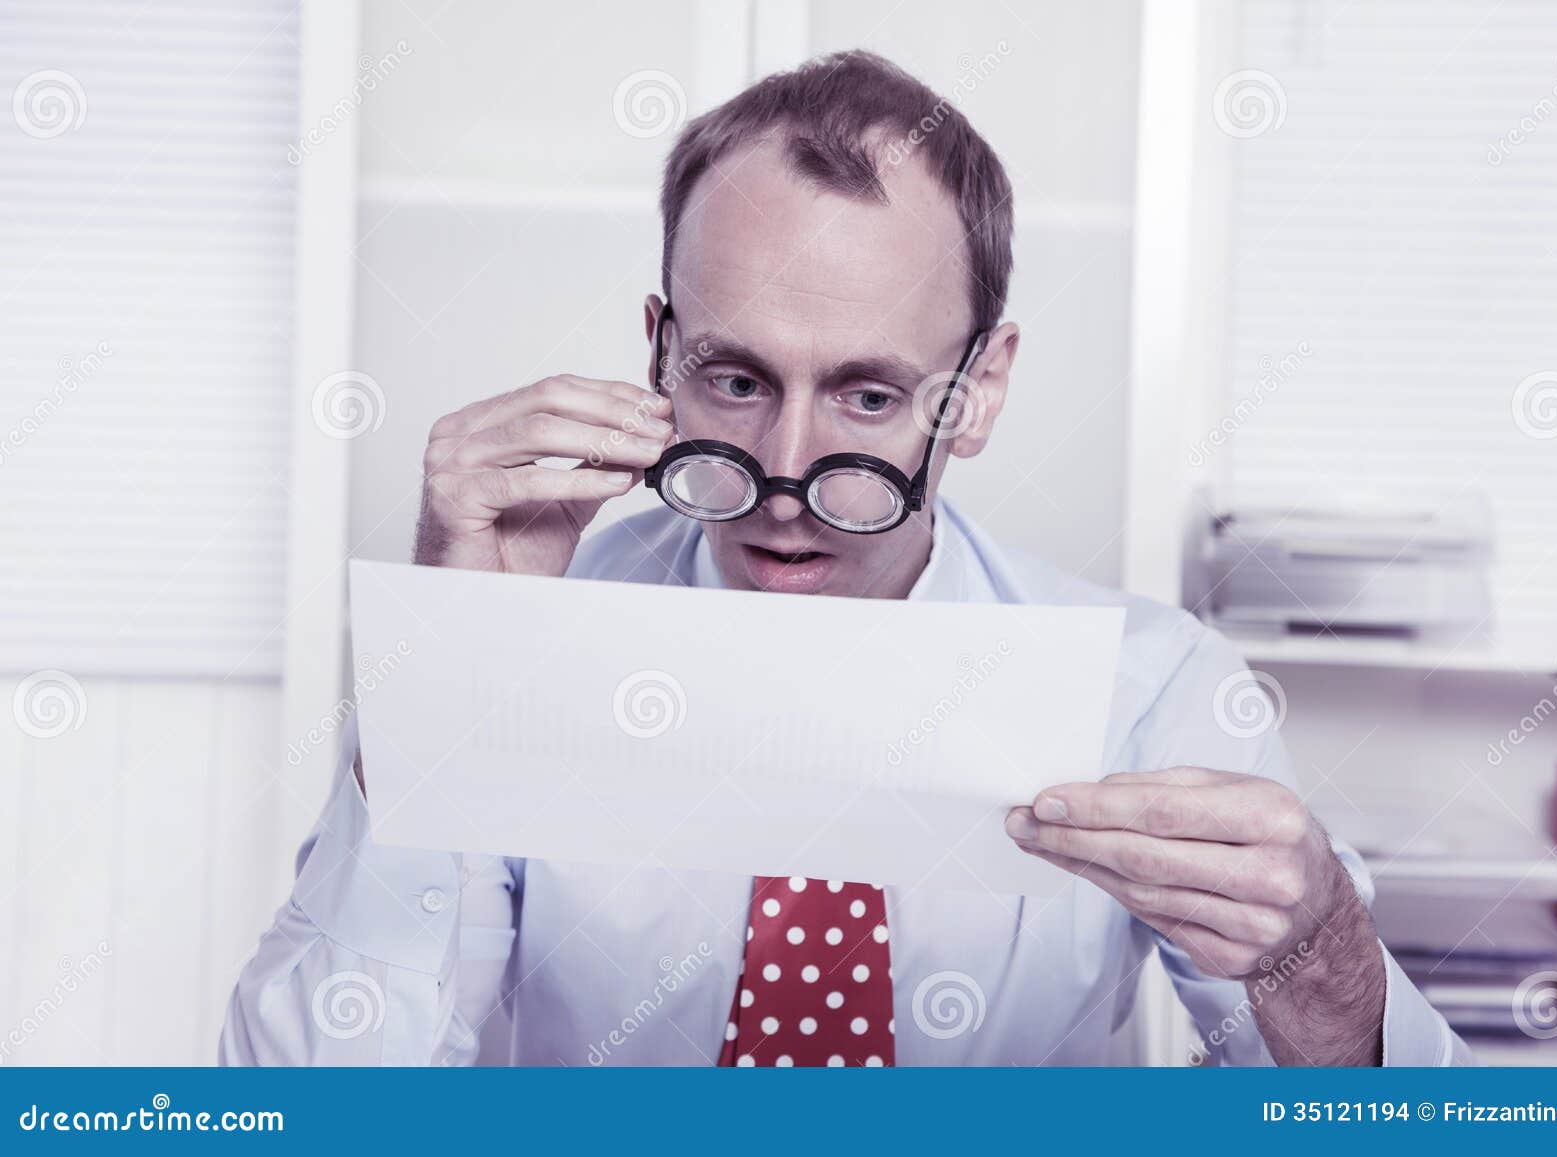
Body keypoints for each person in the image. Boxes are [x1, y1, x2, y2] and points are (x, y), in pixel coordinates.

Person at [222, 51, 1467, 1067]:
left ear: (976, 394)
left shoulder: (1153, 693)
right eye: (736, 379)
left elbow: (1401, 1134)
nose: (785, 475)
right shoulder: (518, 636)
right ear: (660, 354)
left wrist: (1323, 955)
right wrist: (440, 680)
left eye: (868, 396)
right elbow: (306, 1108)